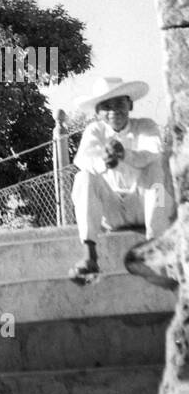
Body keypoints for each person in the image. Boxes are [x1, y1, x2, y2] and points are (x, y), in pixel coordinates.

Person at [69, 76, 170, 283]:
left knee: (158, 168)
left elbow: (153, 152)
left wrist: (125, 155)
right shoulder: (93, 131)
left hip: (145, 206)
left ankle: (154, 247)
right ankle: (90, 255)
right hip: (112, 211)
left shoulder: (146, 126)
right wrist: (105, 161)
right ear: (98, 112)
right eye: (106, 106)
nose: (114, 110)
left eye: (119, 103)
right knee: (84, 177)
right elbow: (83, 160)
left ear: (130, 104)